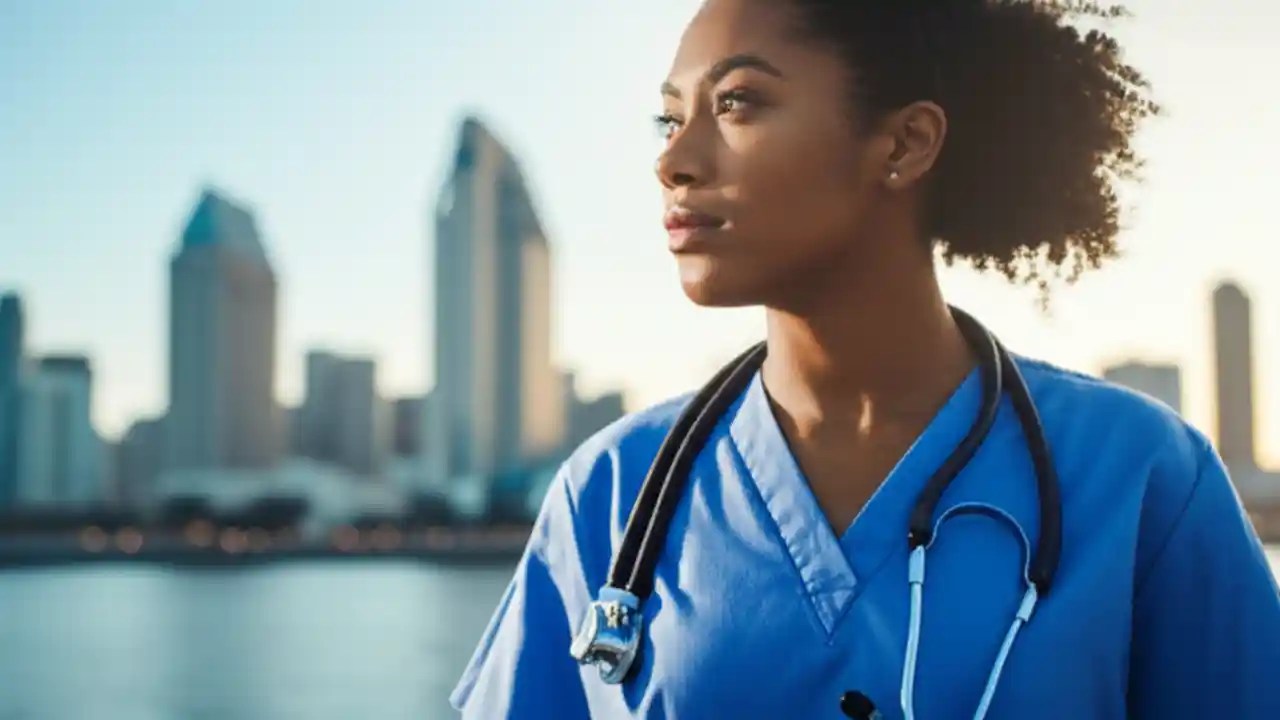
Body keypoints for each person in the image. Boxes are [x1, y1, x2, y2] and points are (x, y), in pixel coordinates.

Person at [449, 0, 1280, 717]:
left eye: (736, 102)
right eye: (670, 118)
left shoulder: (1142, 478)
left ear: (905, 144)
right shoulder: (608, 493)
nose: (672, 161)